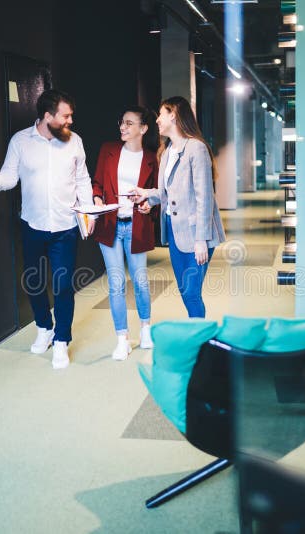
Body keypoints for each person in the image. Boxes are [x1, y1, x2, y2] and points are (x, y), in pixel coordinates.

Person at [0, 89, 95, 370]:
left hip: (65, 226)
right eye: (66, 115)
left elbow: (83, 180)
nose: (70, 121)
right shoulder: (21, 141)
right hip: (33, 224)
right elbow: (8, 177)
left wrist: (88, 214)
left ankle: (62, 340)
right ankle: (44, 327)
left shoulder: (74, 141)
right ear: (47, 116)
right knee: (34, 281)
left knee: (63, 286)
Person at [129, 96, 225, 318]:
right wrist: (146, 195)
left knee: (191, 293)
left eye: (161, 115)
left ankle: (200, 341)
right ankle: (199, 335)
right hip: (173, 230)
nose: (158, 121)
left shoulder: (196, 148)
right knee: (184, 291)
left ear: (173, 114)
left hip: (196, 233)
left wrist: (201, 239)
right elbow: (167, 193)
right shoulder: (167, 151)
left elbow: (205, 198)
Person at [91, 106, 160, 360]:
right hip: (110, 224)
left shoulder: (152, 158)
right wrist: (97, 198)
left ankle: (145, 329)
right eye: (122, 122)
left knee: (140, 281)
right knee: (116, 283)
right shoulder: (108, 150)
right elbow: (97, 182)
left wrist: (147, 206)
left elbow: (155, 194)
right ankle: (122, 338)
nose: (123, 127)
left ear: (143, 129)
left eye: (129, 123)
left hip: (136, 225)